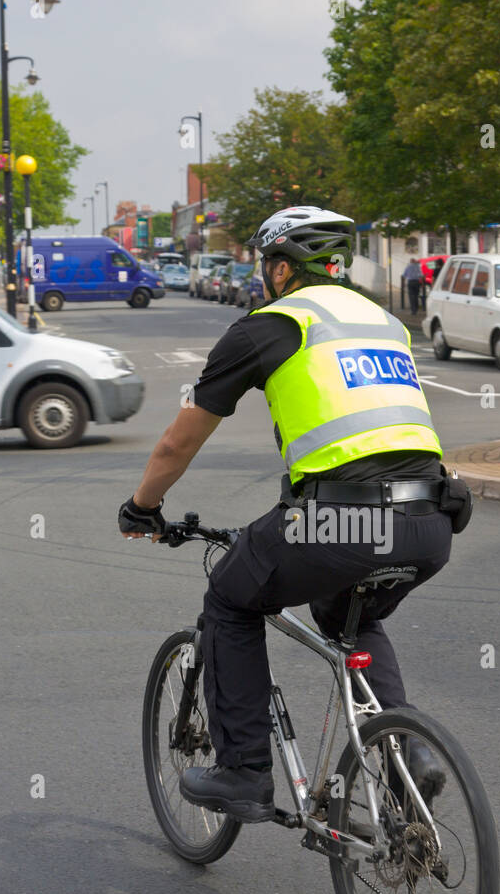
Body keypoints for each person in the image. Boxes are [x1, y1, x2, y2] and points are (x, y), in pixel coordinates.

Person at [119, 206, 471, 824]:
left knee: (231, 597)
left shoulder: (270, 325)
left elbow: (178, 442)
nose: (262, 278)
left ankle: (245, 771)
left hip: (345, 521)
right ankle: (404, 755)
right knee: (348, 612)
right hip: (434, 520)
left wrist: (142, 507)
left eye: (265, 266)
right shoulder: (386, 323)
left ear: (282, 269)